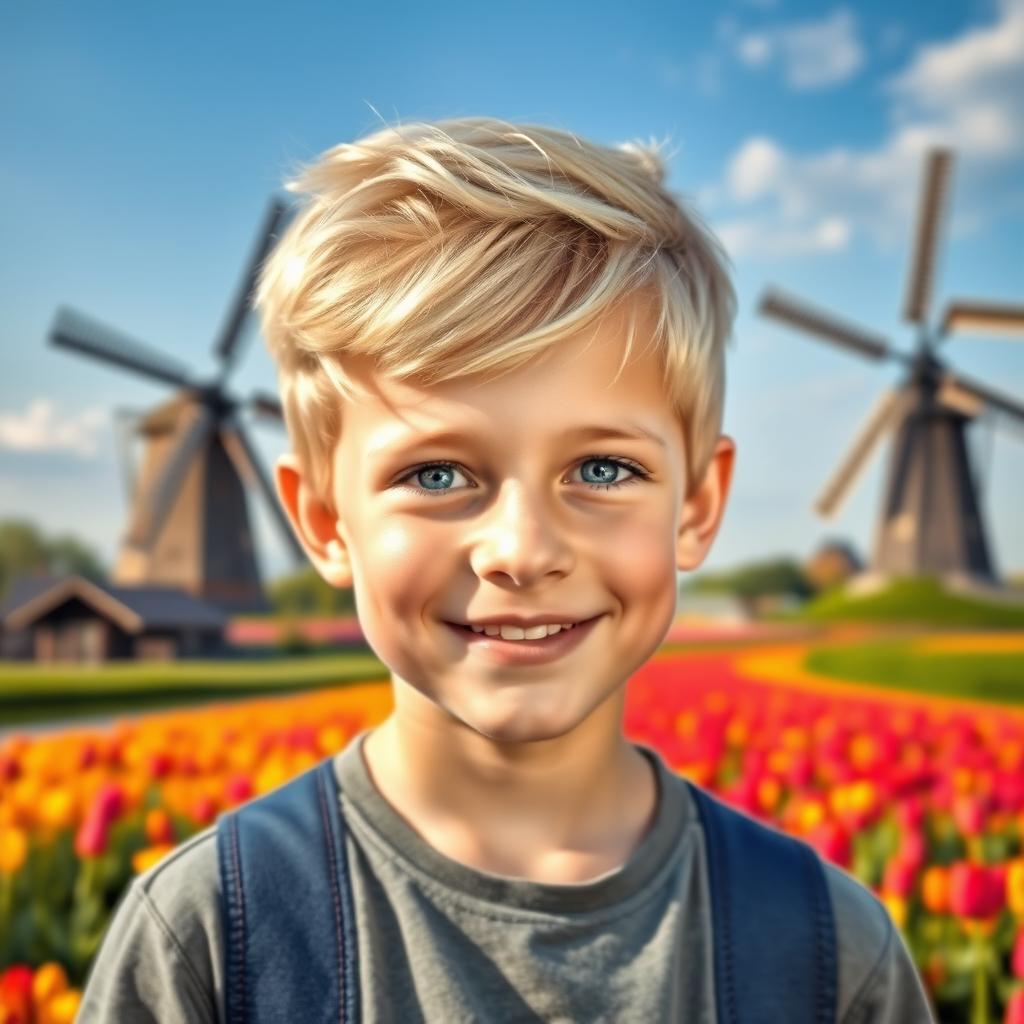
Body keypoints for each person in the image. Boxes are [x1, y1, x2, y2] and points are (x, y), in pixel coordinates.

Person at [78, 116, 935, 1023]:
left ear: (696, 506)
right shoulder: (213, 939)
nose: (523, 551)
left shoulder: (827, 956)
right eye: (436, 475)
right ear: (327, 522)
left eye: (602, 469)